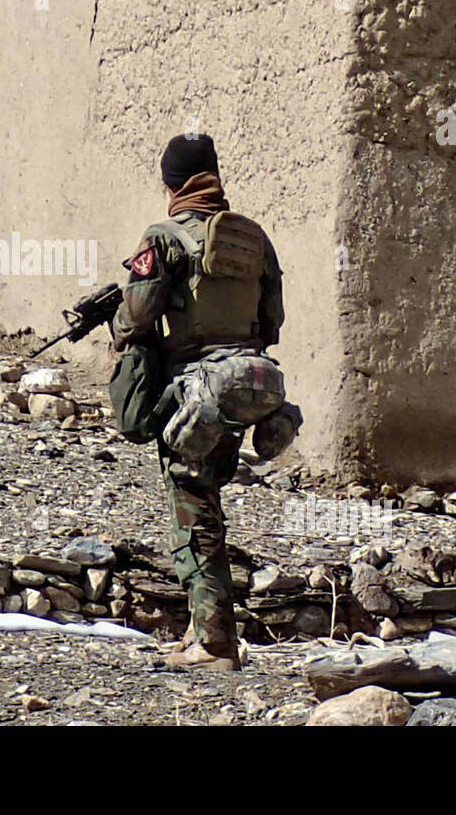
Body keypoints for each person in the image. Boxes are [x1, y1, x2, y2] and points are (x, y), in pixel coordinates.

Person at [112, 133, 284, 671]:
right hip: (247, 384)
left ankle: (214, 644)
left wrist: (117, 325)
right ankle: (200, 630)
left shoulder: (161, 238)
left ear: (170, 183)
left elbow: (138, 317)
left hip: (194, 392)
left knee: (193, 514)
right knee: (208, 504)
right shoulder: (253, 237)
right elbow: (272, 321)